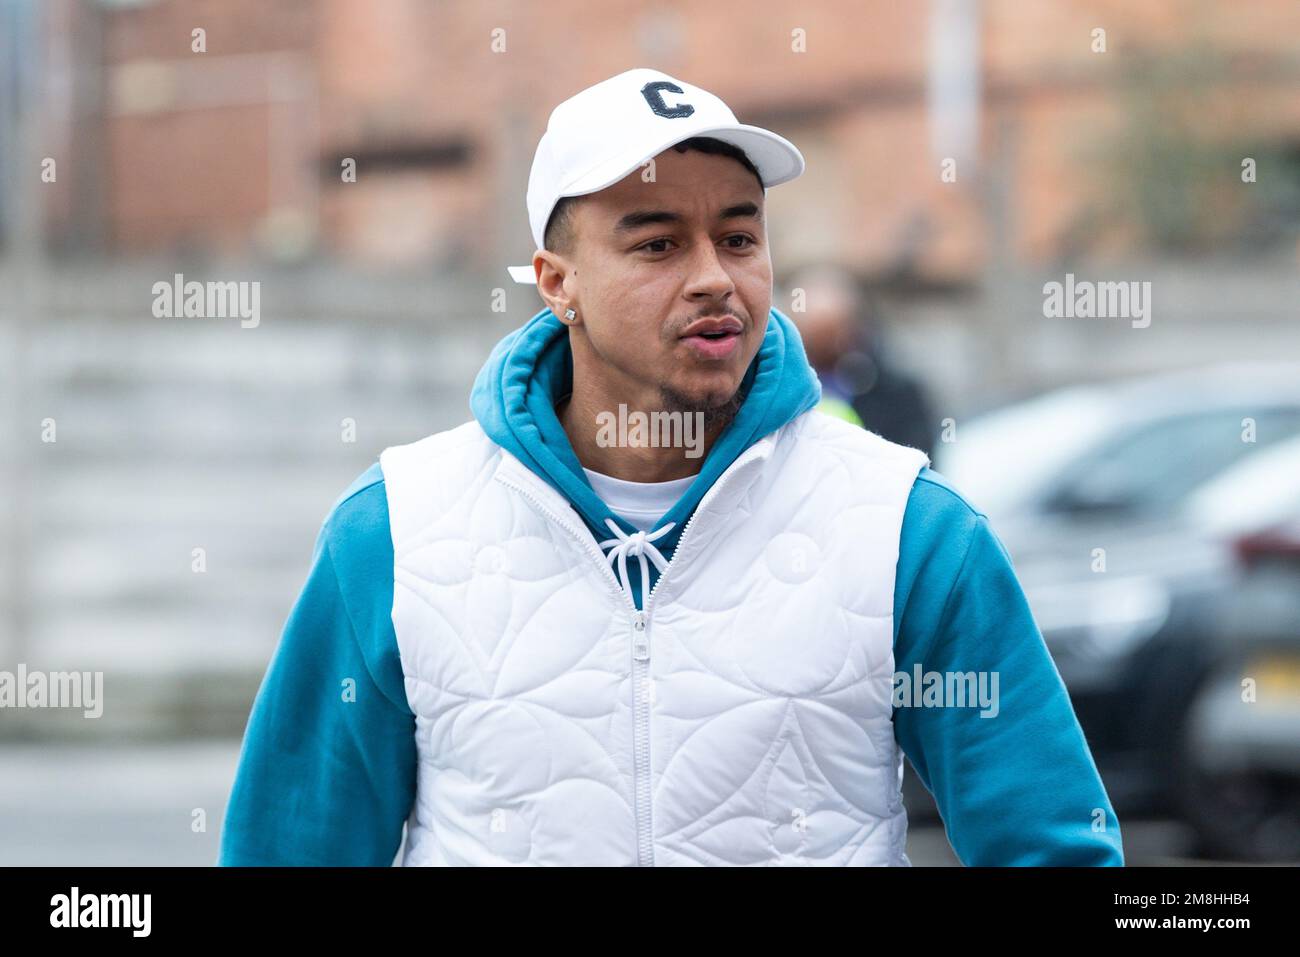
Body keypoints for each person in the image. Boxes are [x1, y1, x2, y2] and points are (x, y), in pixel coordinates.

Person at [218, 68, 1123, 866]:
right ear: (556, 280)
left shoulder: (909, 530)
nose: (715, 278)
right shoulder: (395, 531)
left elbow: (1052, 848)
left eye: (738, 237)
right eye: (657, 244)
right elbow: (288, 848)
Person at [787, 263, 938, 457]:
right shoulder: (780, 390)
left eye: (831, 331)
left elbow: (920, 459)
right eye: (815, 334)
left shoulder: (897, 395)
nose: (825, 344)